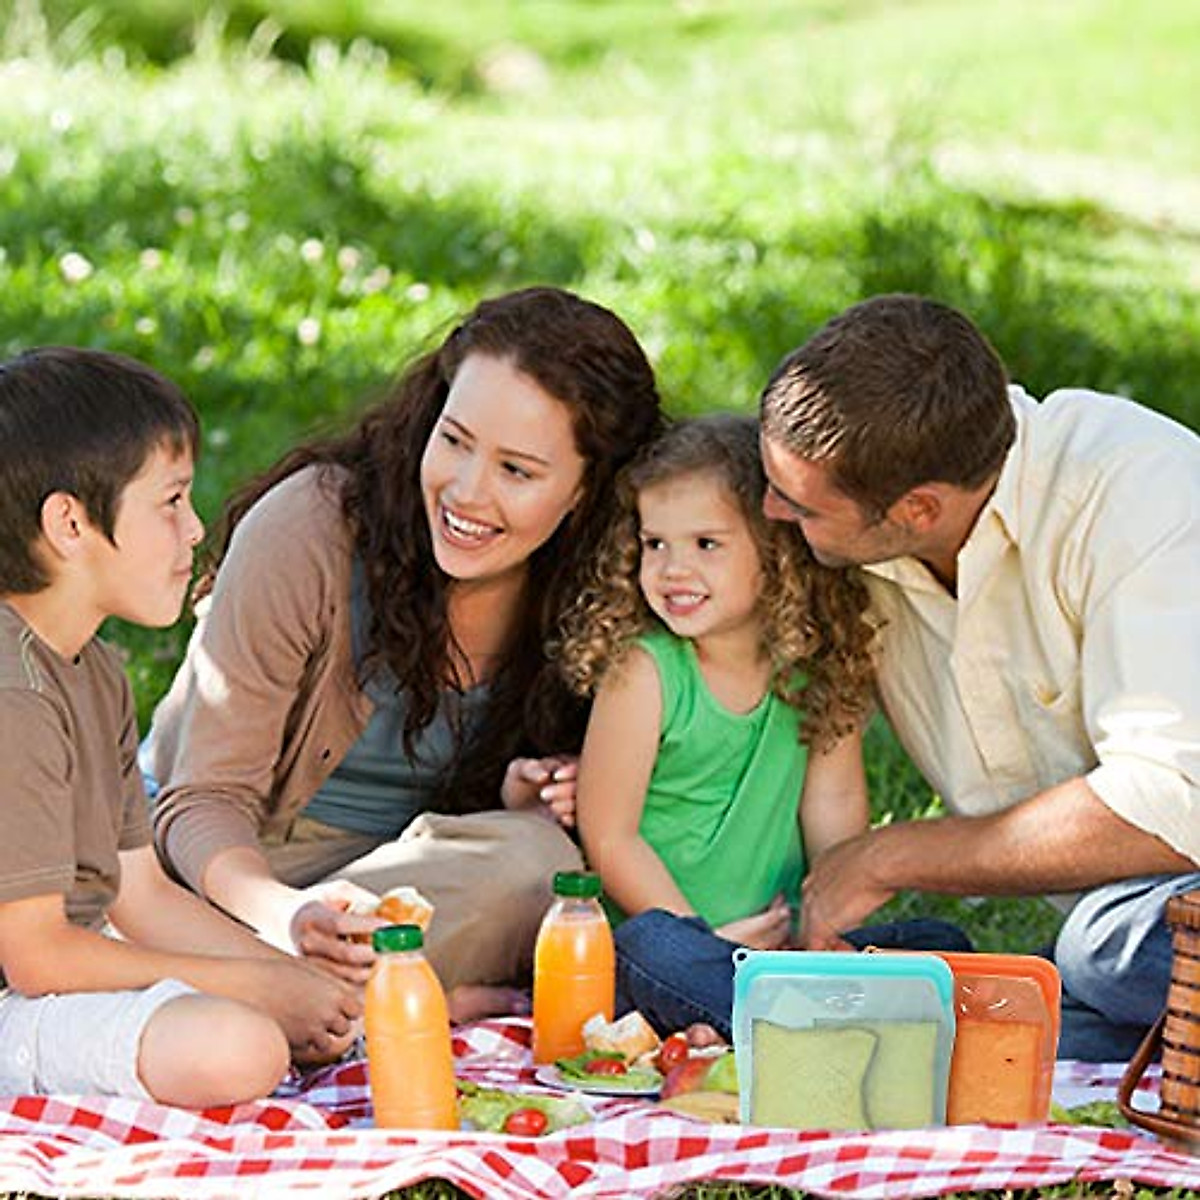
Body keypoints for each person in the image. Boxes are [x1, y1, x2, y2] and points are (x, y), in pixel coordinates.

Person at [146, 286, 664, 1020]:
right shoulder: (310, 529)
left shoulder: (610, 591)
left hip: (409, 887)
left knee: (540, 863)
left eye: (517, 471)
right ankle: (386, 999)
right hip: (232, 869)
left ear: (588, 490)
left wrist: (529, 795)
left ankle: (295, 998)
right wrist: (285, 916)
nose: (466, 492)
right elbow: (201, 800)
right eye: (454, 441)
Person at [757, 293, 1200, 1061]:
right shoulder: (865, 535)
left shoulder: (1142, 493)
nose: (768, 510)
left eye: (800, 506)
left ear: (918, 508)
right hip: (1146, 916)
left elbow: (1173, 799)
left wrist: (890, 855)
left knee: (1101, 950)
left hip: (1145, 910)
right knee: (992, 1025)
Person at [0, 347, 361, 1106]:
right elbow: (36, 957)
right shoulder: (15, 697)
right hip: (18, 988)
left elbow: (142, 895)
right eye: (170, 502)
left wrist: (291, 979)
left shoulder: (94, 670)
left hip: (61, 967)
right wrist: (255, 990)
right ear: (70, 522)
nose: (195, 529)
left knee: (274, 1013)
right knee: (238, 1044)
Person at [559, 414, 970, 1038]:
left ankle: (779, 1015)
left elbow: (834, 811)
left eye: (705, 544)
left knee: (941, 944)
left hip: (782, 950)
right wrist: (707, 942)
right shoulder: (645, 672)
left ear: (777, 552)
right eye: (654, 543)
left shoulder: (817, 667)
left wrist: (826, 934)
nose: (671, 568)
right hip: (670, 954)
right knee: (652, 948)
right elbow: (610, 838)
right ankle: (796, 1026)